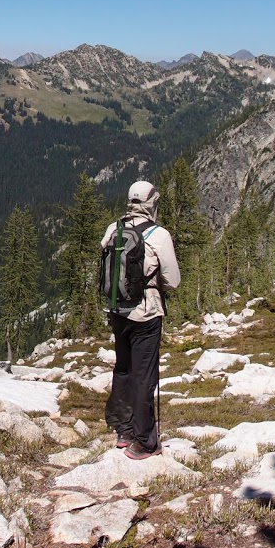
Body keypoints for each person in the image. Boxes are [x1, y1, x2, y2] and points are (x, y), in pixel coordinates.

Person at [101, 179, 179, 460]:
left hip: (118, 310)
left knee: (123, 367)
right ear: (151, 204)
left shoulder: (114, 229)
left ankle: (123, 431)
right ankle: (145, 439)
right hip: (146, 313)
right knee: (144, 374)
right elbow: (173, 281)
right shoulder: (159, 235)